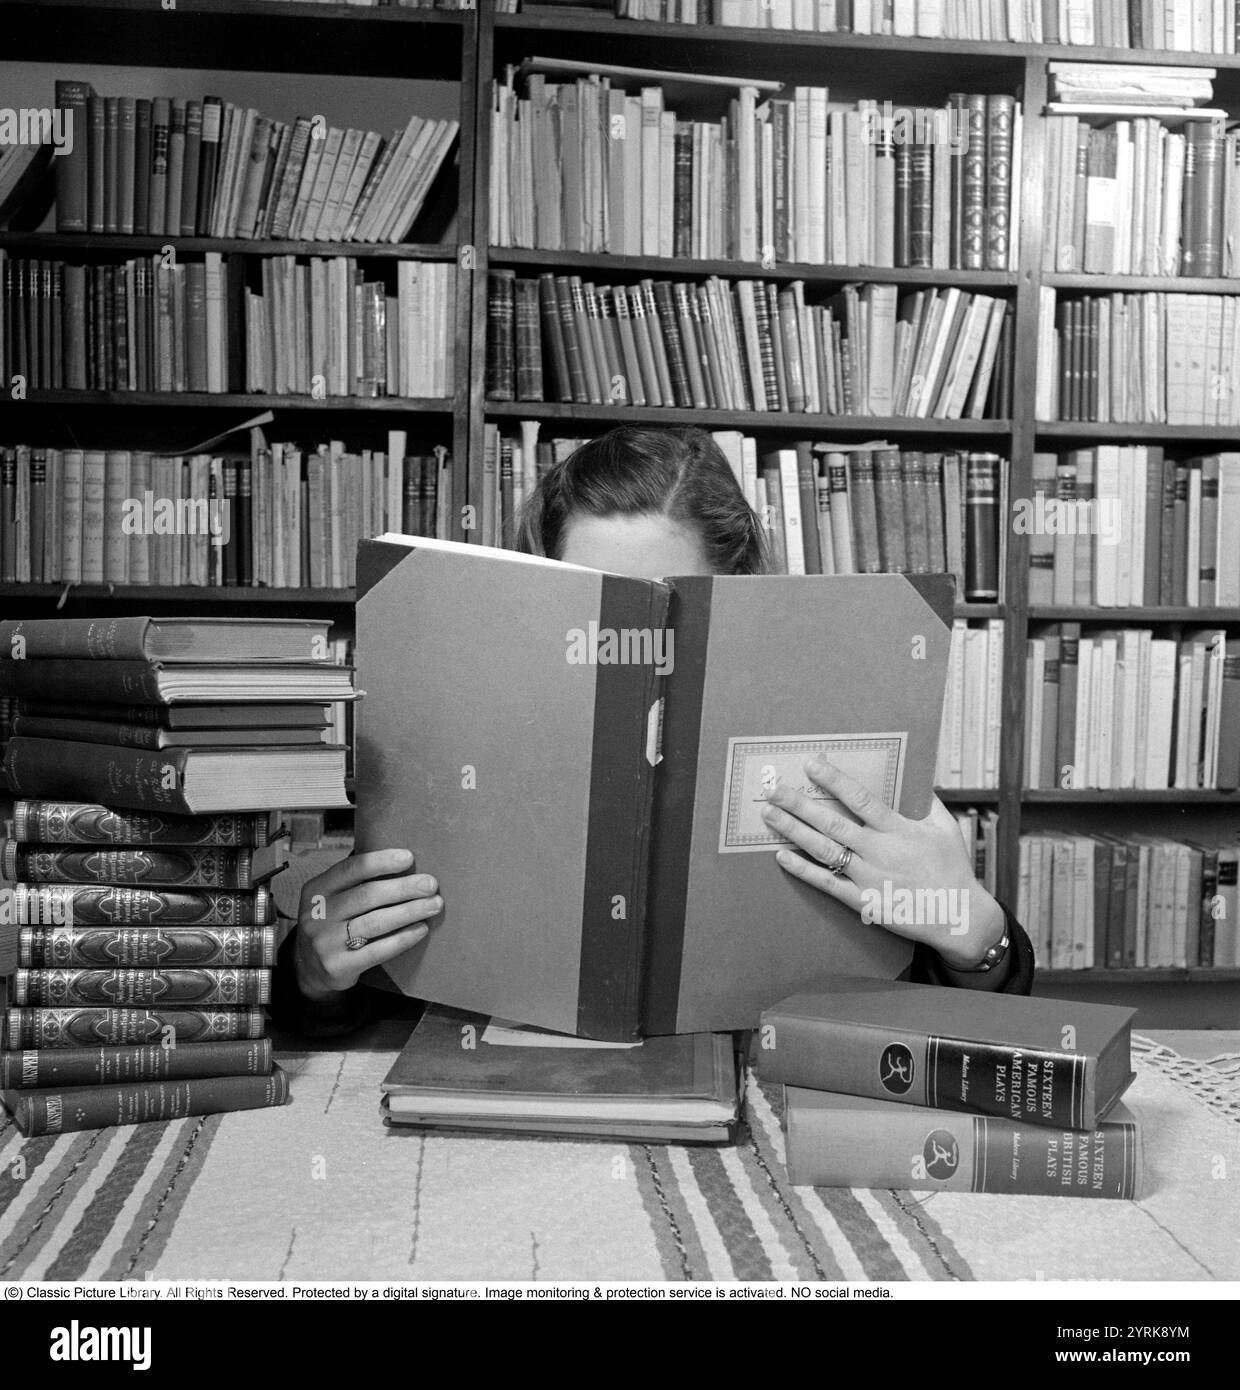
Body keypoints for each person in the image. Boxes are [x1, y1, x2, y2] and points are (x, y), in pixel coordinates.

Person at [270, 426, 1033, 1037]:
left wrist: (974, 934)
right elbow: (362, 994)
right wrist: (310, 974)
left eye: (666, 603)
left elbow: (947, 1014)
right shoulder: (448, 731)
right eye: (592, 601)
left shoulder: (838, 737)